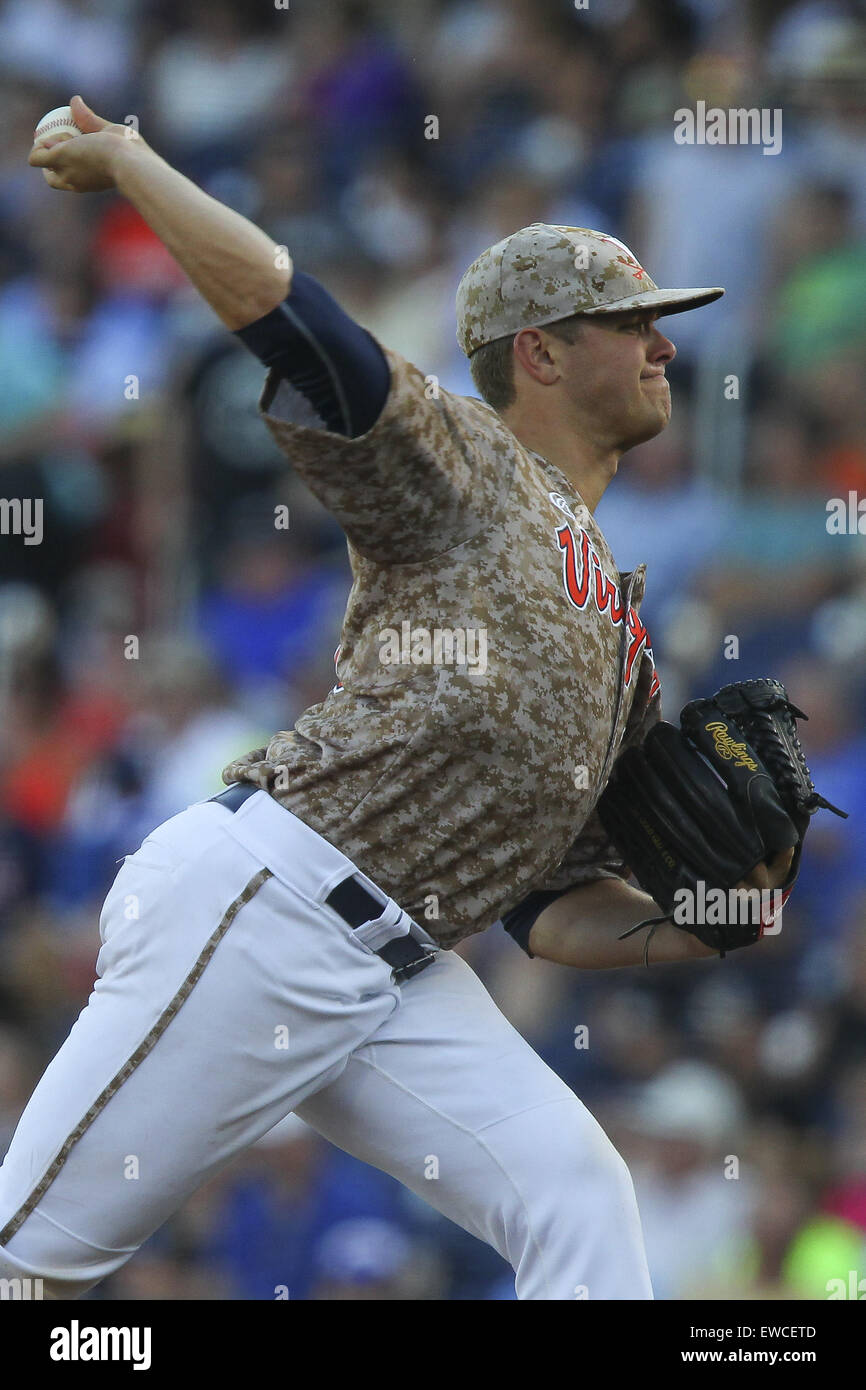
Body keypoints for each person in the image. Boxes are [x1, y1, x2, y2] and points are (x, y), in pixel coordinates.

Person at [0, 96, 791, 1302]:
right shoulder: (465, 464)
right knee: (32, 1266)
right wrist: (133, 161)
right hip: (263, 908)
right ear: (539, 348)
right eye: (630, 323)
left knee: (578, 1197)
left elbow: (546, 909)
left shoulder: (620, 632)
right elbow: (296, 325)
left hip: (398, 971)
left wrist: (707, 915)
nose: (663, 348)